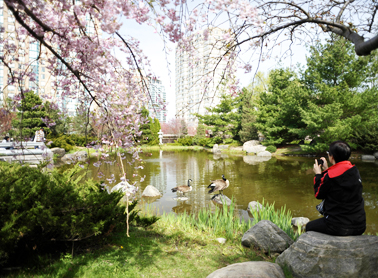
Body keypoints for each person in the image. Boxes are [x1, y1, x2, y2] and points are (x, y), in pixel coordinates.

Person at [306, 141, 366, 236]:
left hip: (338, 227)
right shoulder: (354, 170)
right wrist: (327, 169)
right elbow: (339, 177)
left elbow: (318, 194)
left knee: (309, 227)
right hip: (360, 225)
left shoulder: (329, 176)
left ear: (332, 157)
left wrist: (318, 174)